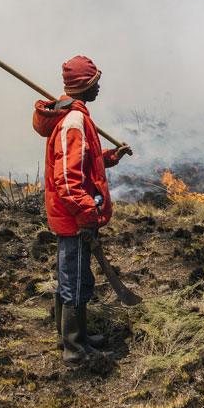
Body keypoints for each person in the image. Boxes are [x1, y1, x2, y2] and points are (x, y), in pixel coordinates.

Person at [32, 55, 131, 363]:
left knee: (73, 276)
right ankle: (75, 350)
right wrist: (88, 214)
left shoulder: (75, 116)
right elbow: (67, 179)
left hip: (73, 216)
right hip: (74, 218)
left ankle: (75, 337)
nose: (99, 88)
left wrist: (111, 157)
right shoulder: (73, 122)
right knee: (73, 280)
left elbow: (84, 162)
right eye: (95, 83)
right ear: (84, 85)